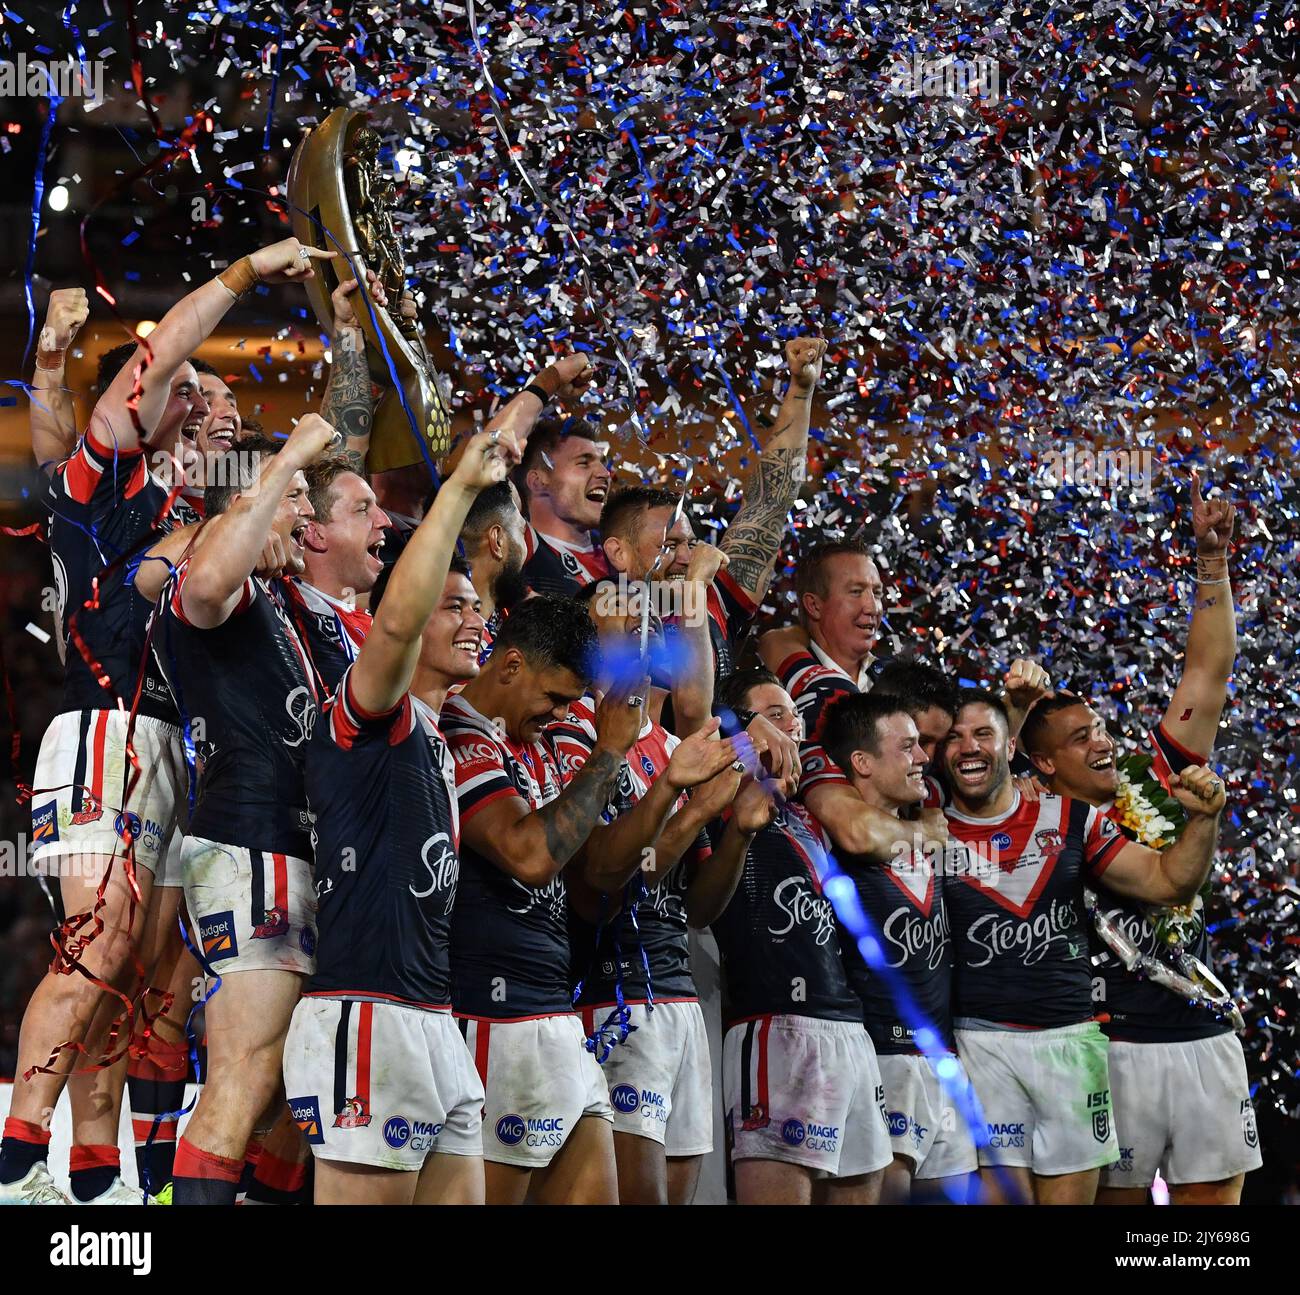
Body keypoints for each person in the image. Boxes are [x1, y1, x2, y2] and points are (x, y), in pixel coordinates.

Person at [1, 237, 330, 1206]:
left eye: (208, 395)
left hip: (168, 744)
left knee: (146, 973)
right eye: (183, 391)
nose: (197, 400)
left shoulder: (170, 498)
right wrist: (243, 274)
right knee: (97, 946)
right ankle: (15, 1170)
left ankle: (97, 1171)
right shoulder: (109, 480)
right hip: (106, 725)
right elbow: (143, 366)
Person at [284, 426, 518, 1204]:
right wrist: (455, 493)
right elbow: (393, 626)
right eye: (452, 606)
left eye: (474, 605)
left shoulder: (444, 741)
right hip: (368, 1015)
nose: (474, 620)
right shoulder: (368, 709)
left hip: (433, 1018)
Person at [1020, 475, 1259, 1206]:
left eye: (1100, 727)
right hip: (1106, 1047)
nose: (1102, 741)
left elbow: (1208, 672)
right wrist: (1009, 712)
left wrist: (1211, 565)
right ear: (1042, 761)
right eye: (1079, 736)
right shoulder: (1029, 817)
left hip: (1202, 1032)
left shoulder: (1154, 773)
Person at [149, 413, 337, 1205]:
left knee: (281, 1088)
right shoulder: (214, 579)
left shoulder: (284, 602)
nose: (307, 513)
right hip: (251, 849)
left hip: (282, 855)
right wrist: (287, 457)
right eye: (295, 496)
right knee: (244, 1077)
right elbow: (200, 586)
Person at [939, 689, 1228, 1205]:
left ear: (1010, 748)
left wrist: (1204, 821)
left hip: (1070, 1043)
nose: (968, 747)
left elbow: (1167, 882)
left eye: (983, 733)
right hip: (980, 1046)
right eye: (953, 738)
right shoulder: (927, 831)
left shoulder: (1075, 821)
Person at [552, 580, 764, 1205]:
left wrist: (740, 831)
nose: (636, 630)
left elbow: (698, 906)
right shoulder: (573, 733)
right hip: (610, 995)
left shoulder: (672, 745)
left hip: (678, 997)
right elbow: (601, 882)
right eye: (615, 616)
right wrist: (691, 811)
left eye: (643, 617)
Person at [441, 596, 651, 1204]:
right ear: (509, 666)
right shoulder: (458, 732)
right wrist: (608, 754)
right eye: (553, 699)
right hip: (493, 1017)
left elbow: (589, 875)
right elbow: (529, 856)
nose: (559, 715)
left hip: (554, 1011)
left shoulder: (531, 745)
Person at [704, 669, 895, 1205]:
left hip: (849, 1028)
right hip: (775, 1028)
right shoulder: (720, 803)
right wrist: (740, 730)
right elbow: (691, 709)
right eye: (776, 714)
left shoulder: (811, 809)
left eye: (796, 714)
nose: (794, 726)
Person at [818, 691, 978, 1203]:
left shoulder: (928, 827)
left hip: (942, 1059)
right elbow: (860, 832)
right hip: (879, 1056)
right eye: (908, 746)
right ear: (862, 762)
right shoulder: (838, 841)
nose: (924, 758)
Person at [601, 338, 828, 687]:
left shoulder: (714, 596)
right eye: (667, 544)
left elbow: (770, 501)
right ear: (619, 552)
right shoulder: (599, 617)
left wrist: (800, 390)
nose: (683, 557)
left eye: (690, 544)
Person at [517, 418, 612, 596]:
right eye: (584, 463)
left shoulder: (619, 554)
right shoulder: (517, 561)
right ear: (538, 482)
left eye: (603, 463)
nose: (605, 474)